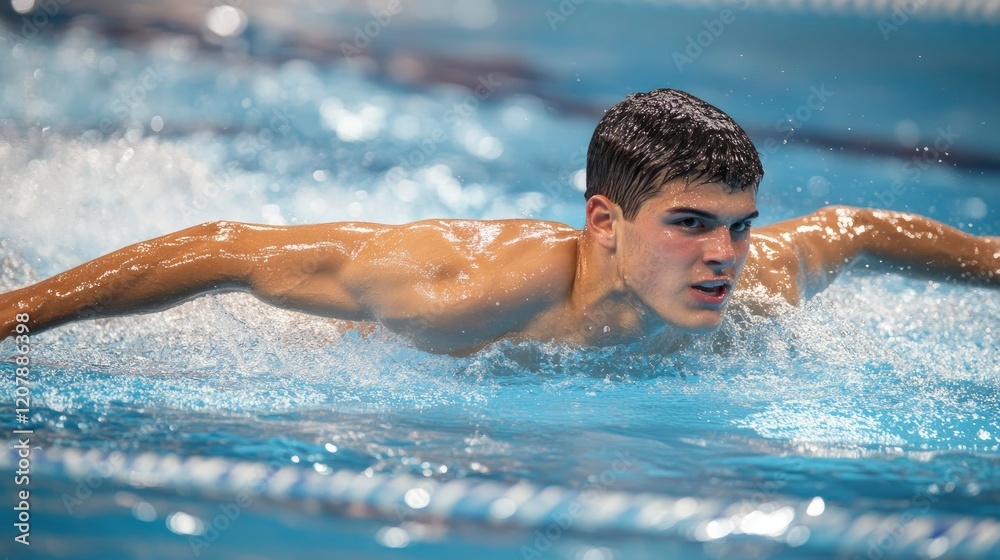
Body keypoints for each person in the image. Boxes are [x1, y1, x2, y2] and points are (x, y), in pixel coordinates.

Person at [1, 89, 997, 355]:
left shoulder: (758, 279)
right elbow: (221, 250)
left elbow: (861, 226)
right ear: (602, 220)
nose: (723, 256)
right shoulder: (463, 287)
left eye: (738, 225)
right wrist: (18, 312)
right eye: (690, 222)